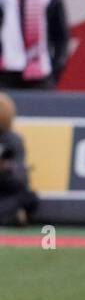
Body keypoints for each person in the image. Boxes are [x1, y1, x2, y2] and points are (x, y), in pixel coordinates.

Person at [0, 91, 38, 226]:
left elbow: (20, 179)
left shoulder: (13, 140)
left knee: (29, 198)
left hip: (7, 188)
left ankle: (13, 215)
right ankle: (12, 216)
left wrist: (7, 168)